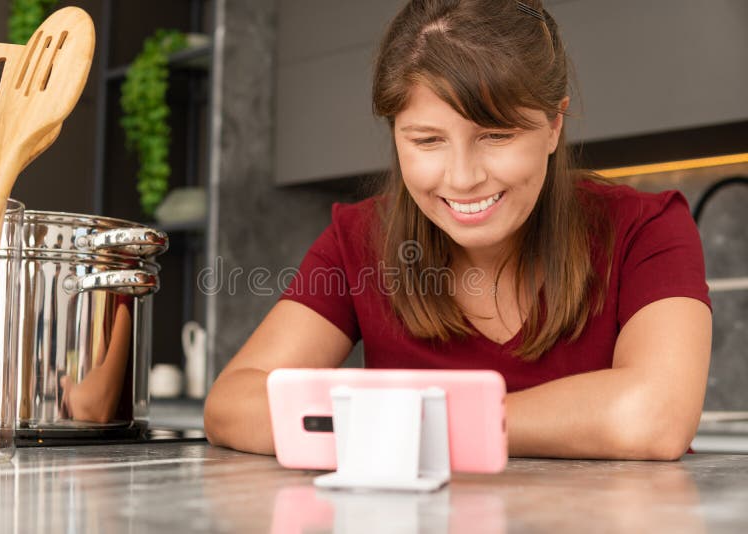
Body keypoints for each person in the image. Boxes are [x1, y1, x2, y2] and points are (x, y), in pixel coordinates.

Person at [204, 0, 712, 460]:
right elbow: (233, 403)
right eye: (427, 140)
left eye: (495, 135)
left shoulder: (646, 227)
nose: (463, 178)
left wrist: (415, 423)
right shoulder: (359, 239)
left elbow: (656, 415)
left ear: (554, 125)